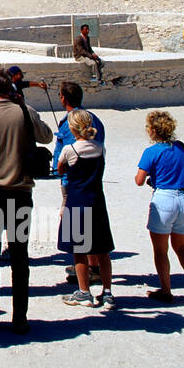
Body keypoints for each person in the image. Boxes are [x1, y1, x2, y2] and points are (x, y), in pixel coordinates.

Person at [0, 65, 54, 334]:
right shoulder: (25, 113)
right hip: (19, 193)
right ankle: (20, 318)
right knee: (19, 257)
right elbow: (47, 136)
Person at [136, 111, 184, 305]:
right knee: (182, 247)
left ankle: (166, 290)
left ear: (153, 130)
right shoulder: (181, 147)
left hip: (164, 199)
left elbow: (139, 180)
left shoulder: (151, 151)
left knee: (161, 250)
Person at [58, 109, 114, 308]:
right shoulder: (100, 148)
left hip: (77, 200)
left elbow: (61, 168)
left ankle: (84, 291)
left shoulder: (70, 150)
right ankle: (107, 292)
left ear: (72, 128)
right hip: (97, 199)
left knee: (79, 251)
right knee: (103, 250)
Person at [51, 81, 106, 285]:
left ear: (64, 98)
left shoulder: (69, 122)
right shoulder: (96, 120)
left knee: (76, 230)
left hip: (74, 182)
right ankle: (93, 267)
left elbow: (64, 157)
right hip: (94, 181)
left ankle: (84, 276)